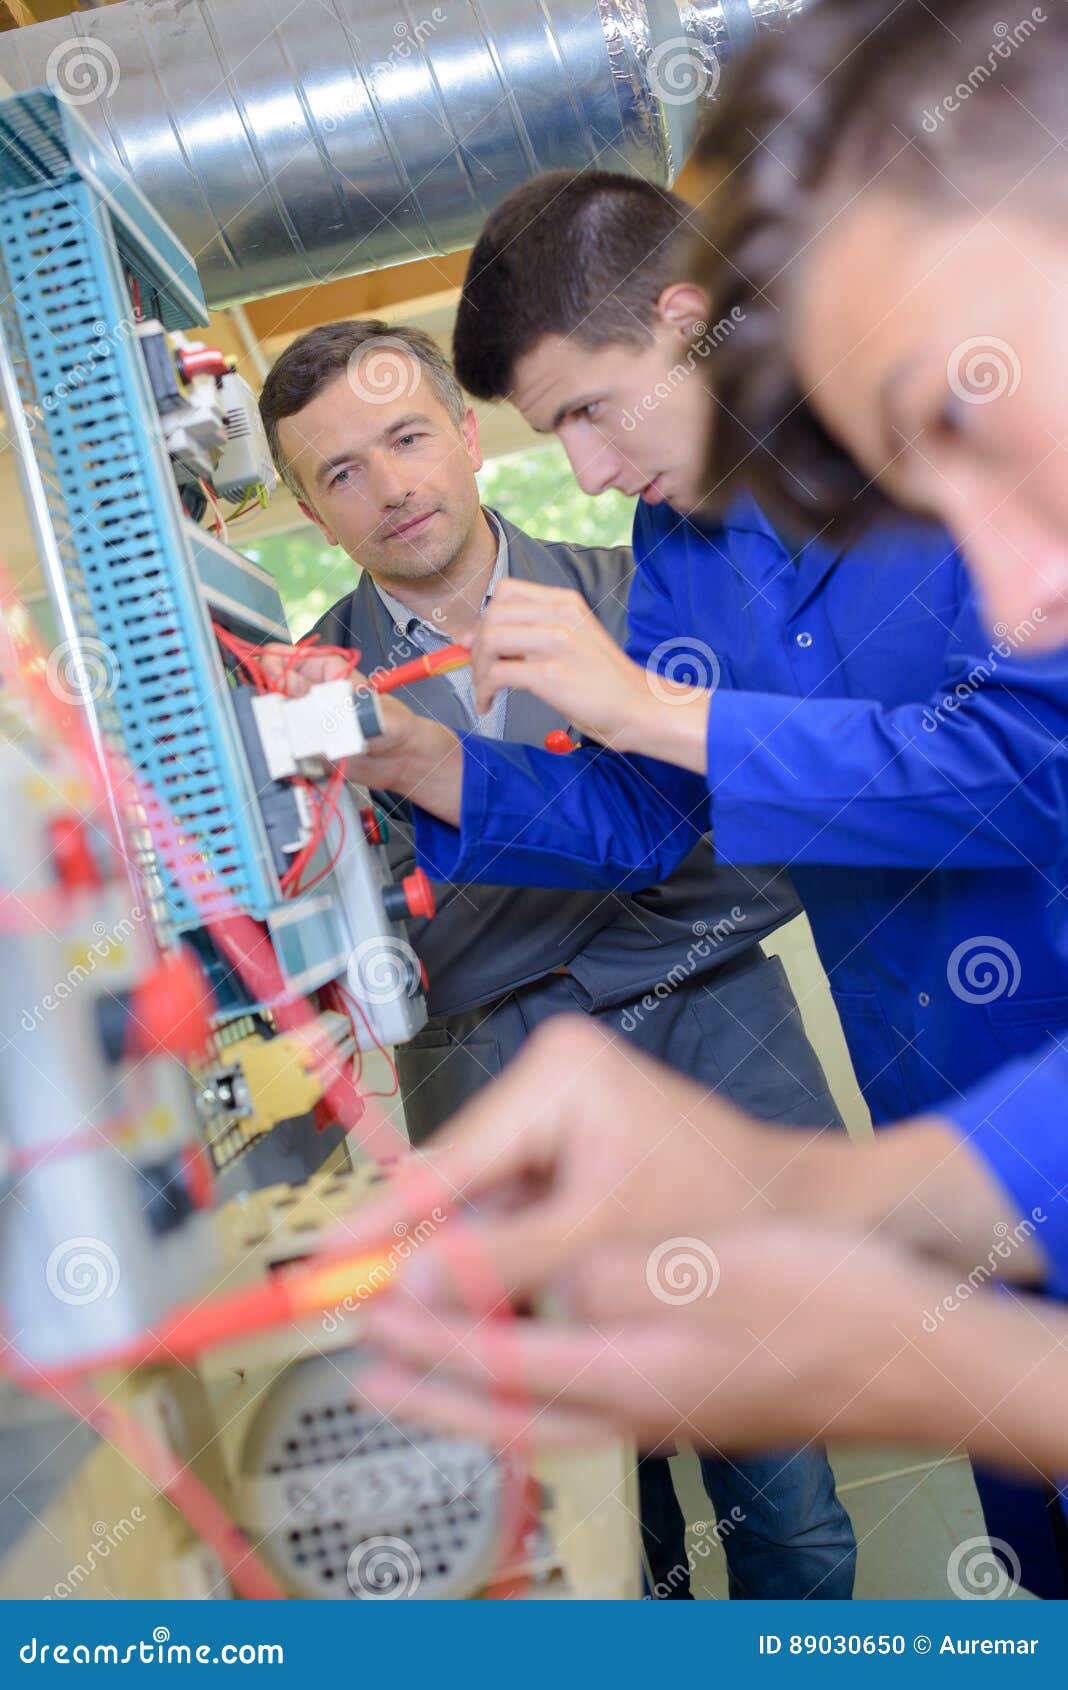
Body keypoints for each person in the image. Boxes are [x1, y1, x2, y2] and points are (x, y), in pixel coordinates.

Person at [271, 164, 1068, 1579]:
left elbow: (1031, 767)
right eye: (549, 428)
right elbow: (653, 812)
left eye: (588, 407)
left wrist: (656, 707)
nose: (580, 467)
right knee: (1028, 1499)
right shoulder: (677, 541)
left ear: (691, 322)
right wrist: (425, 764)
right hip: (927, 1097)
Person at [256, 319, 856, 1598]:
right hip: (488, 1097)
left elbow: (746, 859)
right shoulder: (300, 705)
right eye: (342, 472)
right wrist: (607, 859)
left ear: (469, 436)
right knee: (581, 1517)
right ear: (309, 510)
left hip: (712, 1055)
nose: (393, 484)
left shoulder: (640, 600)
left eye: (409, 436)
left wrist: (484, 883)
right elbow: (327, 939)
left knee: (786, 1499)